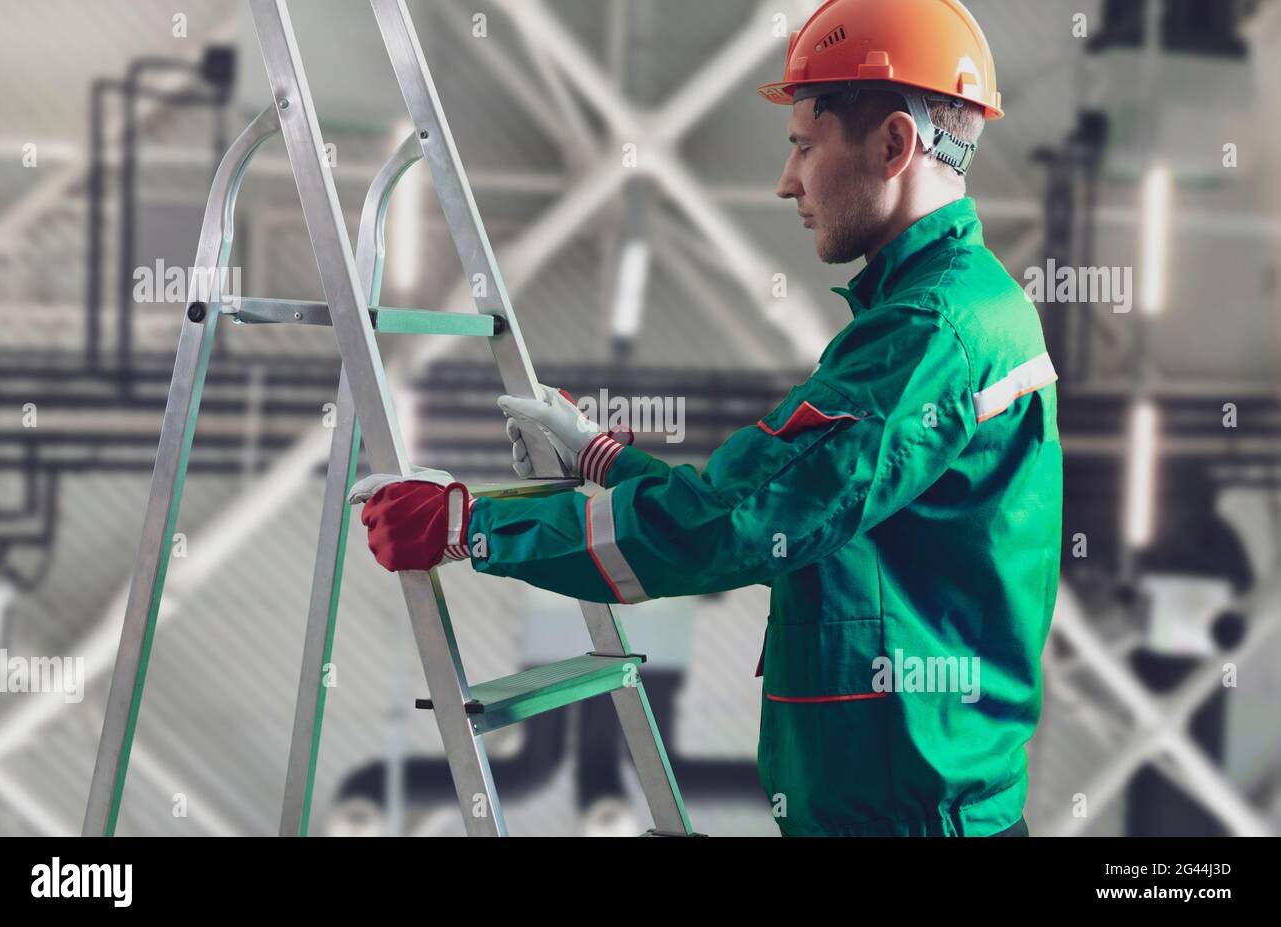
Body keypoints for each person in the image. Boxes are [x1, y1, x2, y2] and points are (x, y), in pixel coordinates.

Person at [355, 0, 1060, 837]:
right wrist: (603, 459)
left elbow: (732, 526)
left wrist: (468, 528)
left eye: (805, 145)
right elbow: (785, 509)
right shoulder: (956, 312)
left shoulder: (927, 334)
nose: (787, 180)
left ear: (894, 145)